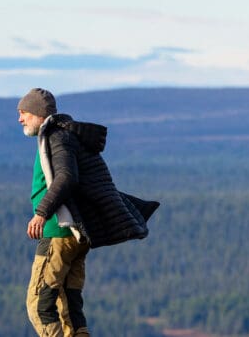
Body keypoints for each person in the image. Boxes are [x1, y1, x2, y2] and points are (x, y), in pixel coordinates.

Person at [17, 88, 159, 337]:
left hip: (57, 232)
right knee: (69, 305)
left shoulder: (55, 137)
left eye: (24, 113)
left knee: (39, 304)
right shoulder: (66, 136)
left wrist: (41, 213)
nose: (20, 119)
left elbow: (66, 178)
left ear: (39, 114)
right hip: (75, 235)